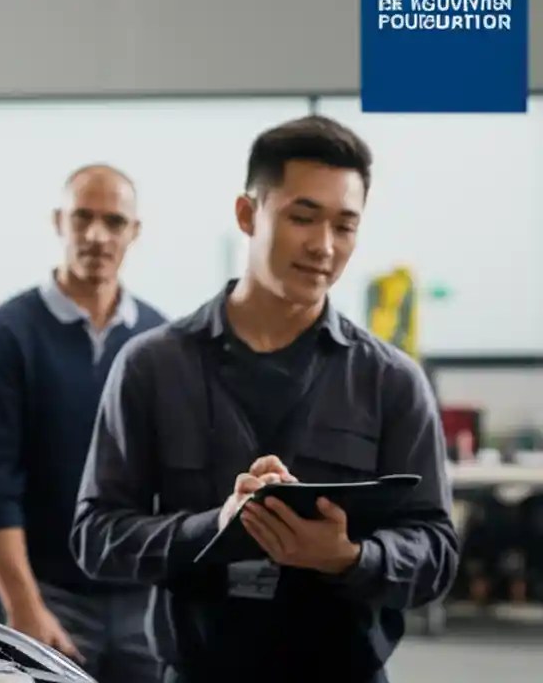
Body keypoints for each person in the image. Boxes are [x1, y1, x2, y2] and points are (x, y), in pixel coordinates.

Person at [70, 115, 459, 683]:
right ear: (248, 214)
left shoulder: (391, 379)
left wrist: (349, 557)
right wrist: (214, 527)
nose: (324, 246)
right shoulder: (154, 365)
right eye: (303, 217)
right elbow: (96, 538)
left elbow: (437, 550)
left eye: (345, 226)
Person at [0, 164, 166, 682]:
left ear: (134, 233)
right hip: (47, 594)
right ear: (59, 222)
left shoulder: (161, 341)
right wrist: (24, 607)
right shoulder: (5, 335)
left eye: (114, 222)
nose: (97, 236)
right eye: (83, 218)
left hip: (144, 598)